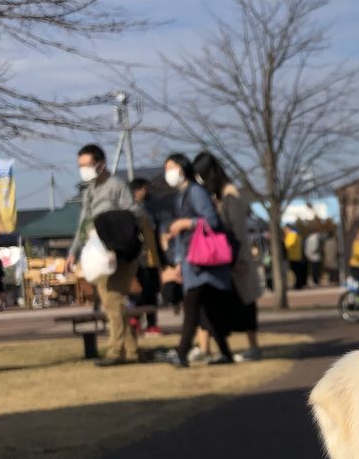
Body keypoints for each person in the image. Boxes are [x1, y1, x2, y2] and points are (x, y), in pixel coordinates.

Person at [66, 144, 143, 367]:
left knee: (113, 299)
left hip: (120, 253)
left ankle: (115, 351)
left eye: (87, 165)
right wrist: (73, 253)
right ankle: (132, 351)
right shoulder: (89, 191)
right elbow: (83, 224)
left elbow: (134, 213)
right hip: (99, 254)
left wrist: (110, 225)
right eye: (80, 166)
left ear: (101, 164)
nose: (83, 170)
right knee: (111, 303)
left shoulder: (116, 185)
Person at [156, 154, 235, 368]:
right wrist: (179, 261)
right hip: (193, 262)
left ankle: (182, 353)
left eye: (171, 167)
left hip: (202, 263)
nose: (168, 172)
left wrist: (185, 223)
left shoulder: (195, 192)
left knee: (192, 307)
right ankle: (225, 353)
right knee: (207, 311)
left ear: (183, 168)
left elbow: (212, 221)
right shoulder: (182, 195)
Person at [194, 152, 263, 361]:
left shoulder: (230, 197)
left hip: (236, 260)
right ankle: (209, 347)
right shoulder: (218, 197)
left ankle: (253, 347)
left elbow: (238, 232)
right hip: (225, 260)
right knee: (216, 306)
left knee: (245, 304)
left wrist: (239, 260)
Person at [128, 178, 165, 335]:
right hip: (141, 258)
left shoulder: (149, 208)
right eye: (144, 189)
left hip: (152, 256)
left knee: (152, 291)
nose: (147, 192)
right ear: (136, 191)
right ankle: (138, 318)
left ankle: (149, 323)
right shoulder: (133, 211)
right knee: (146, 291)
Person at [285, 225, 306, 290]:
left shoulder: (292, 235)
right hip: (296, 256)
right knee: (297, 271)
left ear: (288, 229)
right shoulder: (296, 235)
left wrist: (285, 247)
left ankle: (298, 285)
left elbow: (290, 244)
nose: (284, 231)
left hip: (293, 256)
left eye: (285, 229)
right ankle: (299, 284)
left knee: (296, 272)